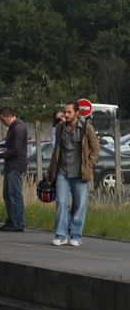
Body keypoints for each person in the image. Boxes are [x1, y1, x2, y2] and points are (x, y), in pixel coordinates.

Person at [46, 101, 100, 246]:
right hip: (62, 172)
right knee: (61, 203)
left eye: (69, 112)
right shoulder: (60, 129)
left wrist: (89, 164)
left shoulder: (86, 128)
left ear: (77, 112)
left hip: (80, 173)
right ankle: (61, 234)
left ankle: (76, 236)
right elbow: (56, 151)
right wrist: (50, 170)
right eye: (65, 112)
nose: (66, 115)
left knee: (79, 205)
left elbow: (95, 148)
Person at [0, 107, 28, 231]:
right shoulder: (14, 127)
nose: (3, 123)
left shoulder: (18, 128)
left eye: (3, 120)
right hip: (10, 165)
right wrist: (0, 145)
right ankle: (11, 220)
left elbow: (16, 149)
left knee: (14, 194)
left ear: (9, 116)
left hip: (15, 164)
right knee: (7, 194)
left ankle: (18, 223)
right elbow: (11, 144)